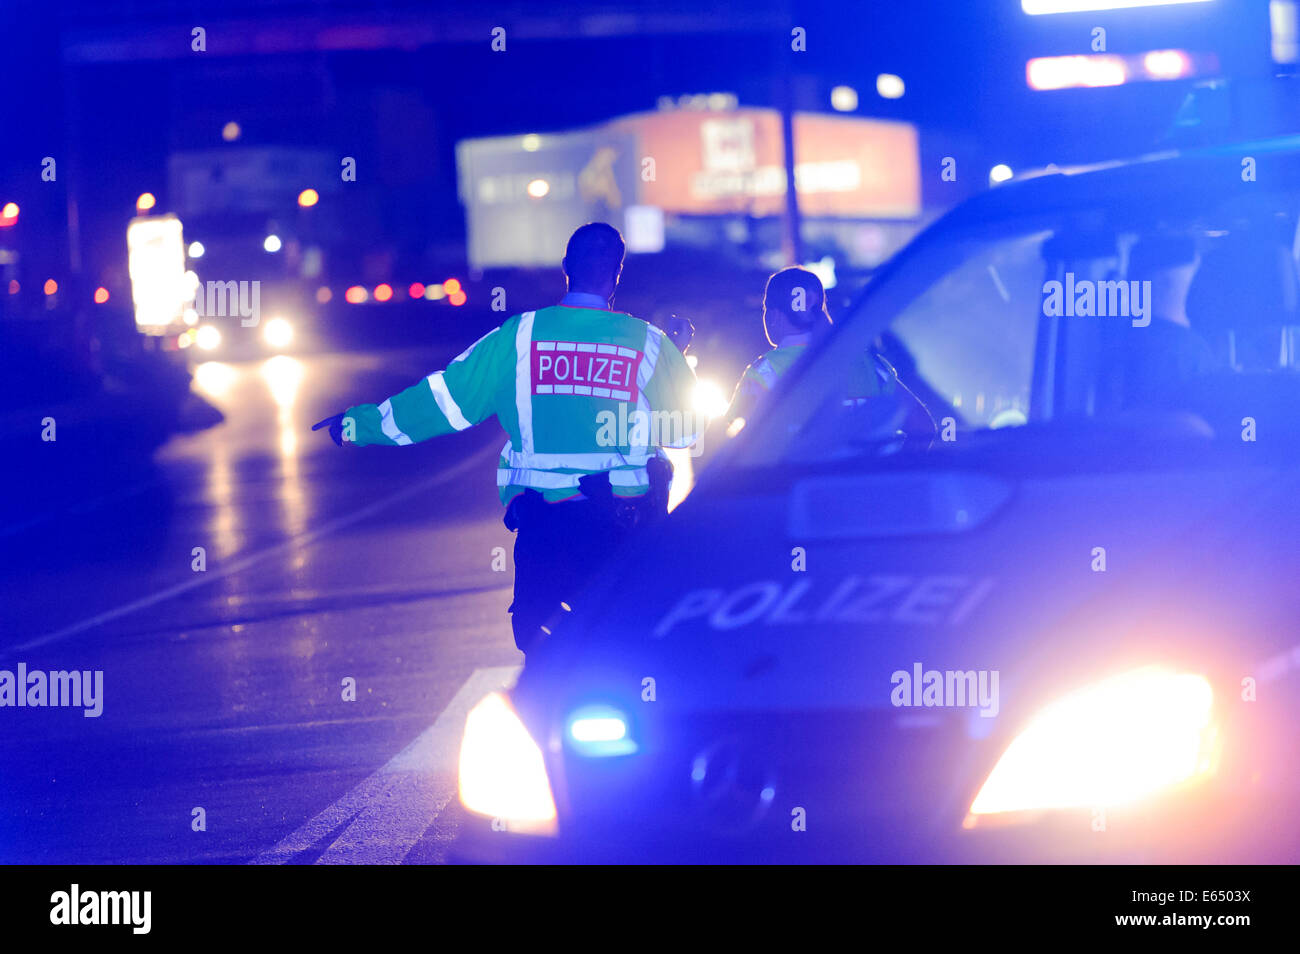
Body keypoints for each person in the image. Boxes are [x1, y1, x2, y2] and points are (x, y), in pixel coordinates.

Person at [313, 223, 700, 653]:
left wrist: (357, 425)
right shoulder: (648, 342)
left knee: (542, 645)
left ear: (565, 268)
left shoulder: (518, 337)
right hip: (622, 528)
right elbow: (684, 430)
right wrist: (674, 361)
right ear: (616, 273)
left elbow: (443, 403)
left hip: (545, 527)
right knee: (636, 641)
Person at [726, 266, 935, 446]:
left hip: (802, 489)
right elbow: (924, 427)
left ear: (774, 316)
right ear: (821, 309)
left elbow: (729, 443)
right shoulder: (870, 364)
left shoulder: (765, 372)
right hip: (869, 488)